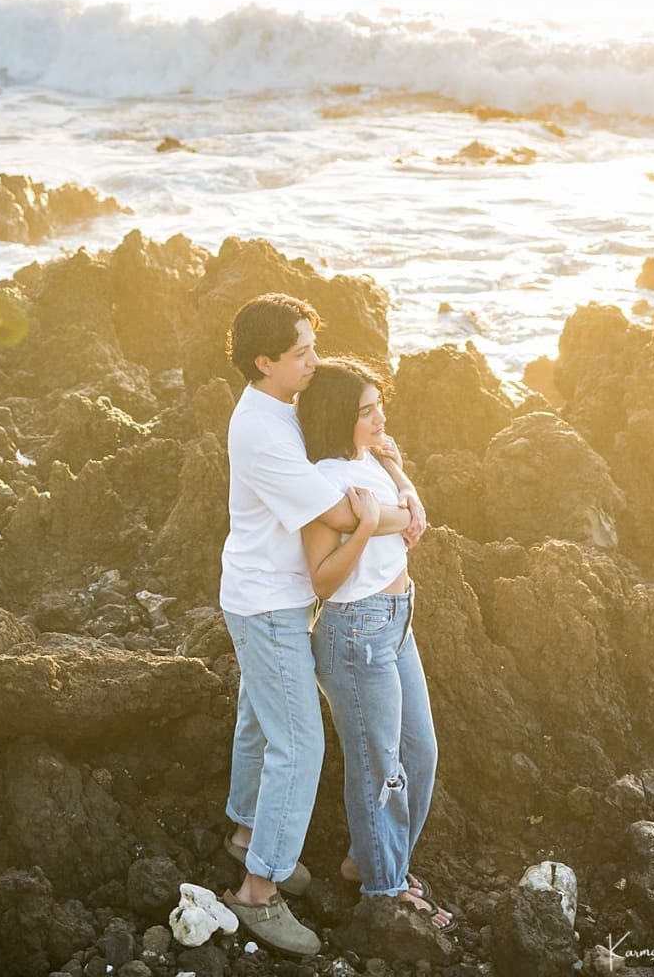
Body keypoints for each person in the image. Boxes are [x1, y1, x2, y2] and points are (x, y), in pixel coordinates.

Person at [219, 293, 426, 956]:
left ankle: (250, 833)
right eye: (301, 352)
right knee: (300, 744)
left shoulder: (285, 411)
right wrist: (401, 512)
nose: (314, 360)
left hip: (275, 594)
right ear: (264, 361)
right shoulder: (263, 431)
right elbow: (341, 516)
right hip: (270, 602)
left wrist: (393, 482)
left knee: (260, 715)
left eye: (313, 346)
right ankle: (258, 892)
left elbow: (351, 491)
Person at [298, 357, 454, 932]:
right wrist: (367, 527)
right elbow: (321, 579)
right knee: (379, 768)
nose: (379, 416)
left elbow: (408, 510)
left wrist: (403, 483)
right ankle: (386, 891)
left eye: (378, 405)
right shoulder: (322, 480)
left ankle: (370, 861)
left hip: (398, 619)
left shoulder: (370, 459)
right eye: (366, 411)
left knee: (420, 755)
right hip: (356, 629)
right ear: (340, 416)